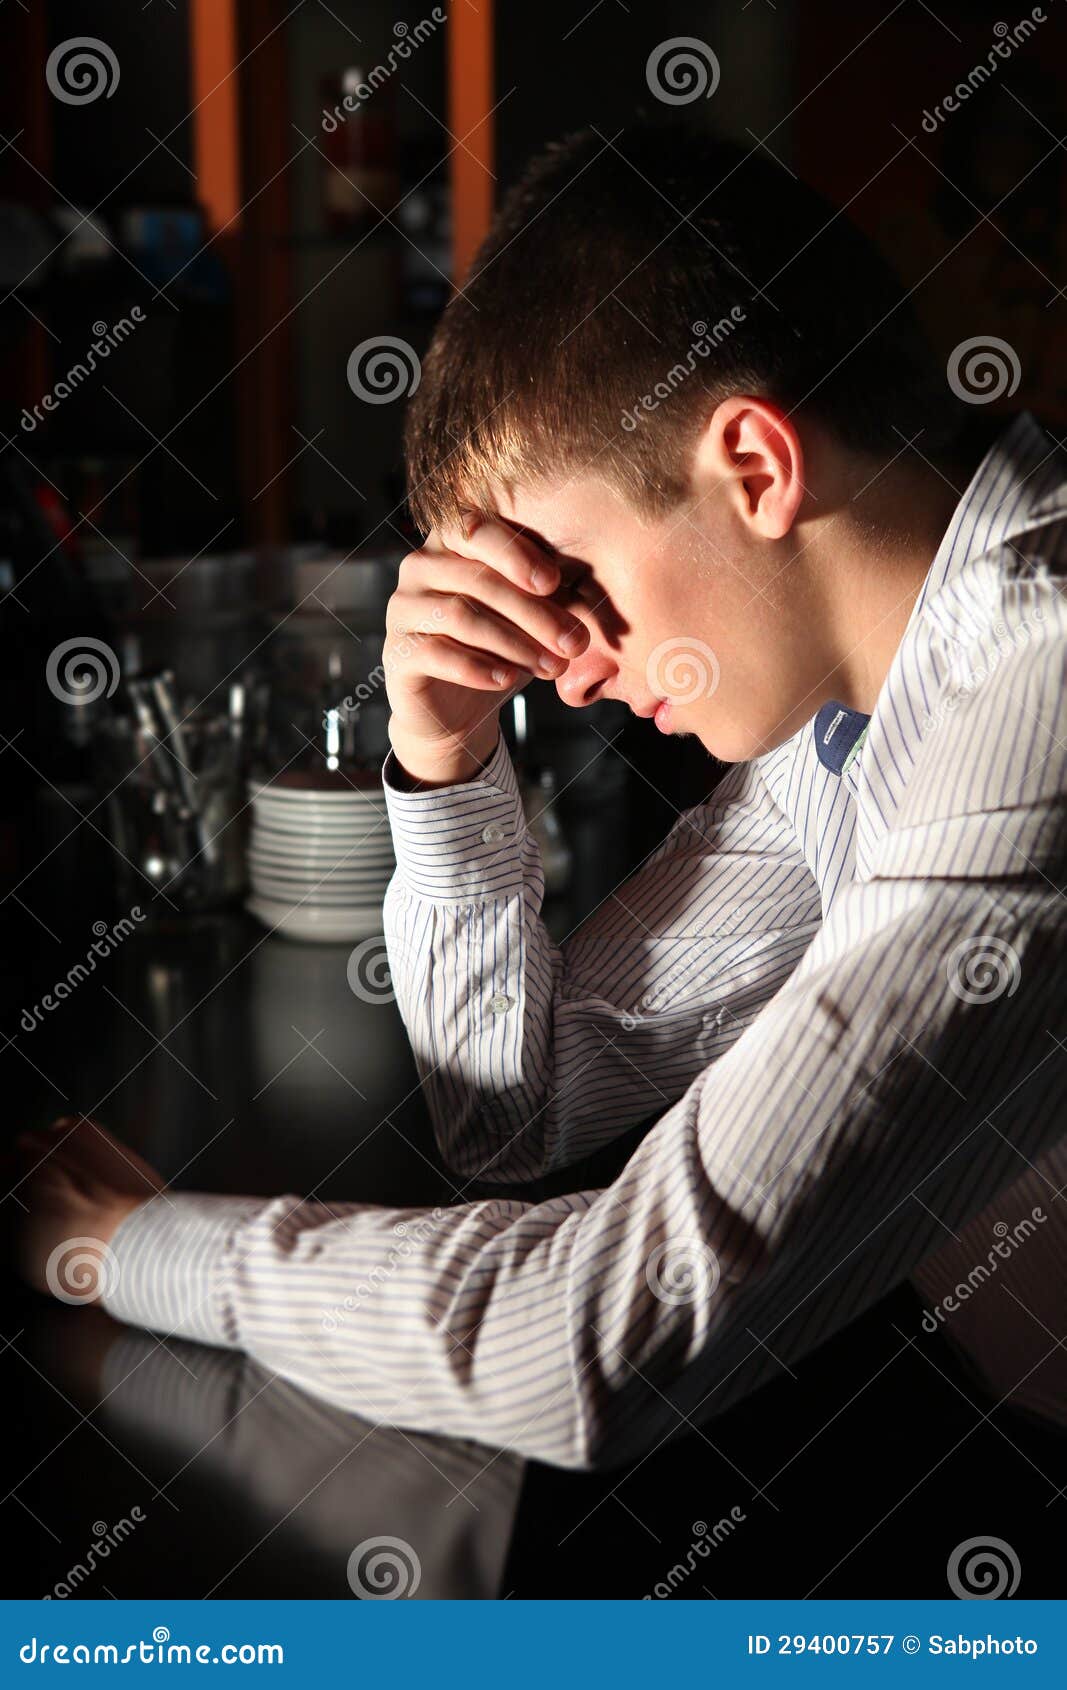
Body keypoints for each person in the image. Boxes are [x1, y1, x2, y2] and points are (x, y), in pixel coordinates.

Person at [15, 123, 1067, 1469]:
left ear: (755, 466)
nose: (569, 673)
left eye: (572, 582)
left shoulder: (1041, 680)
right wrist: (443, 755)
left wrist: (128, 1245)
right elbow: (515, 1110)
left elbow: (593, 1342)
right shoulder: (845, 713)